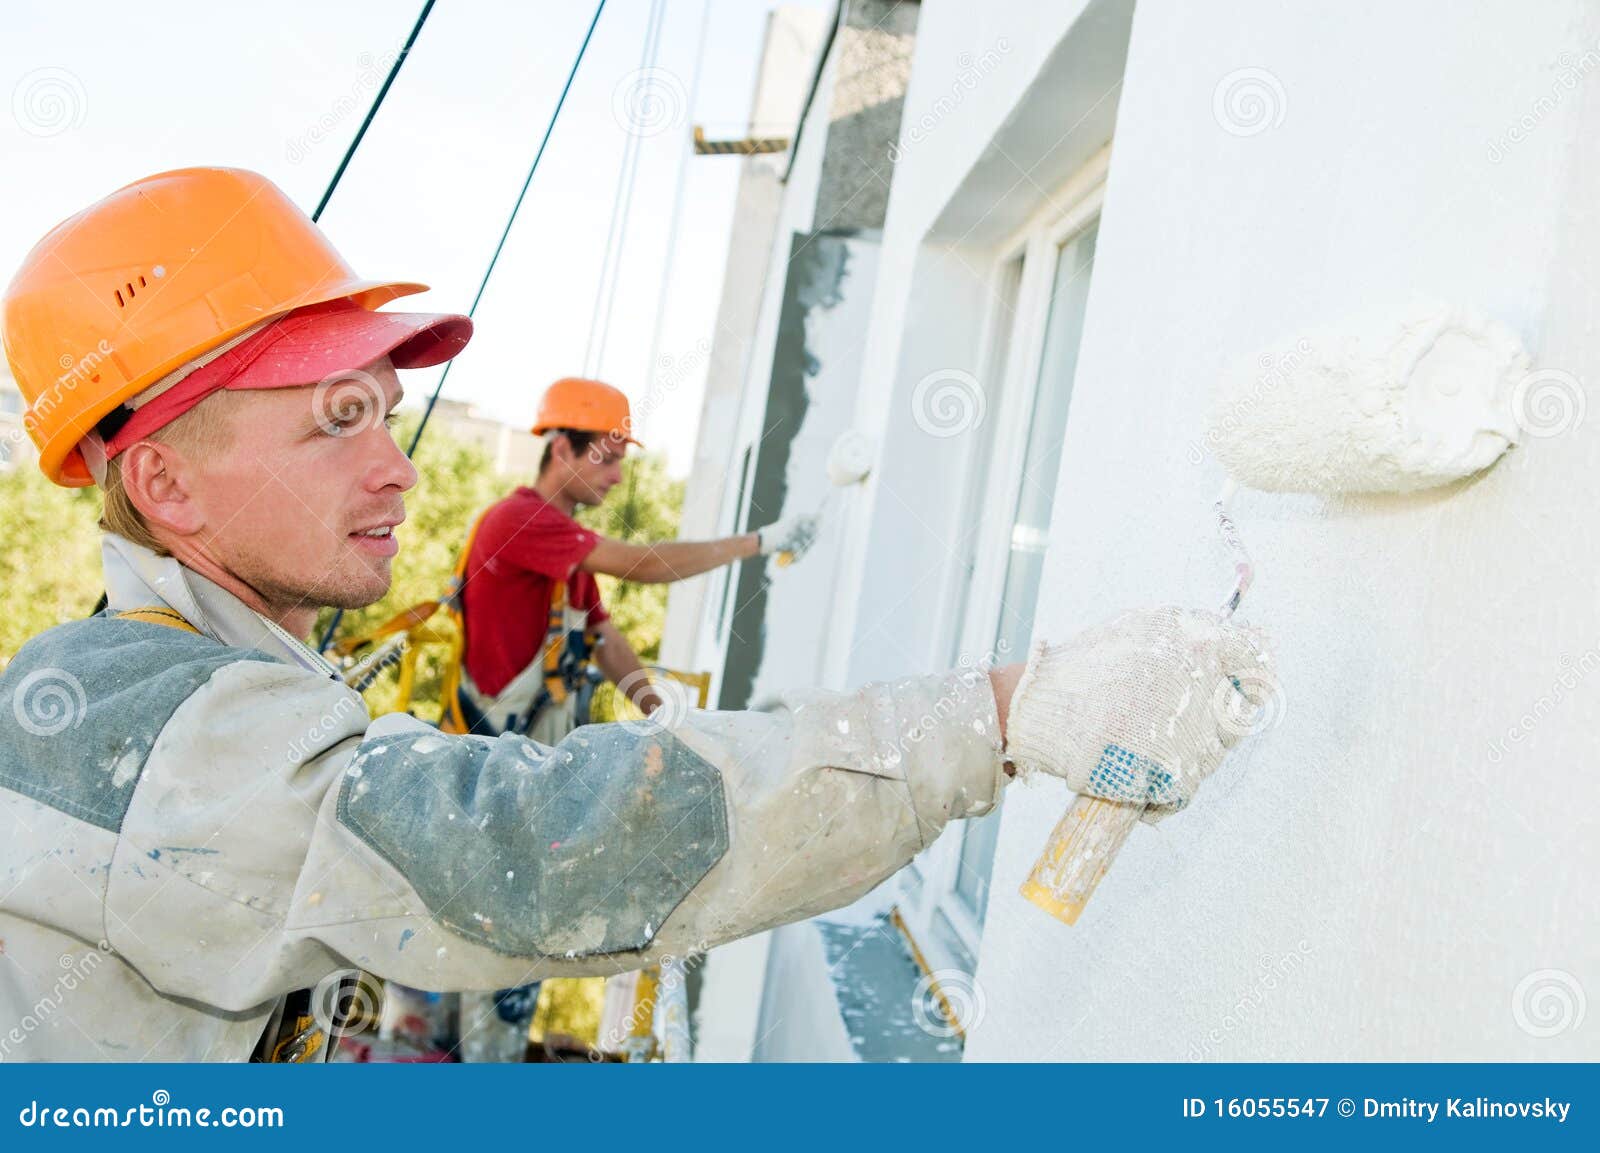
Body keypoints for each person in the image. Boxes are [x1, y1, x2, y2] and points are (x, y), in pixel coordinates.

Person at [0, 168, 1268, 1062]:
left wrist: (649, 694)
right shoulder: (127, 729)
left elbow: (599, 622)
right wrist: (1000, 712)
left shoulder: (187, 682)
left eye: (385, 409)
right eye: (335, 419)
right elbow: (534, 845)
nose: (395, 465)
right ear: (164, 481)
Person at [437, 376, 814, 1060]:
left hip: (531, 771)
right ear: (560, 447)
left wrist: (658, 706)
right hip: (497, 769)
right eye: (605, 457)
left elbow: (602, 636)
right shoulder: (521, 521)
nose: (615, 476)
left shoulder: (564, 553)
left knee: (528, 931)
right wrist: (757, 541)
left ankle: (481, 1058)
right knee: (499, 939)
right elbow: (642, 565)